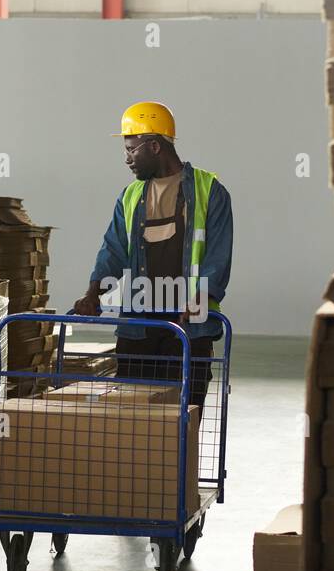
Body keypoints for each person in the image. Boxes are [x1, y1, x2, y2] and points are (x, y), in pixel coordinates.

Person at [74, 101, 233, 406]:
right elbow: (113, 250)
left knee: (184, 411)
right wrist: (94, 292)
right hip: (139, 326)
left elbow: (218, 254)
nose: (127, 159)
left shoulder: (209, 191)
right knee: (134, 416)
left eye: (131, 149)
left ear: (155, 146)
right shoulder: (130, 196)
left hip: (190, 327)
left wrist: (201, 295)